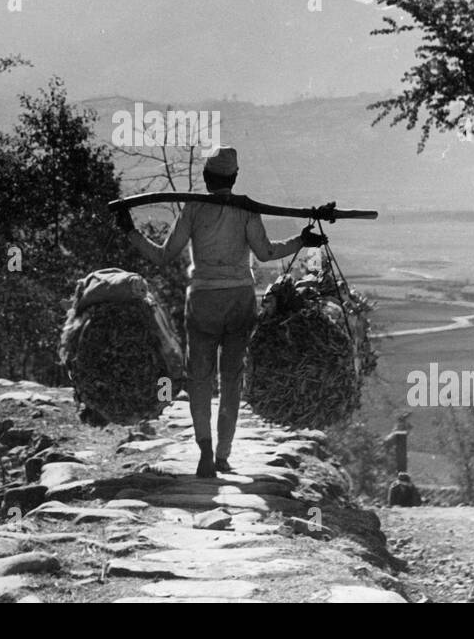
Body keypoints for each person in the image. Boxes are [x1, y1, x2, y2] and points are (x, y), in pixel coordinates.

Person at [117, 144, 326, 478]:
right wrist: (301, 241)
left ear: (205, 177)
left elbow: (162, 256)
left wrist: (130, 231)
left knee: (198, 379)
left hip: (202, 301)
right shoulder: (246, 210)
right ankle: (224, 455)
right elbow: (267, 252)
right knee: (232, 379)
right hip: (240, 300)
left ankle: (204, 449)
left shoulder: (193, 209)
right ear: (236, 176)